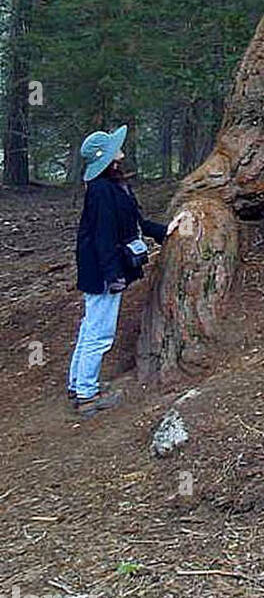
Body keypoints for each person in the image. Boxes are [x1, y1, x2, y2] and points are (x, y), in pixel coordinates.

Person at [68, 125, 168, 417]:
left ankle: (77, 386)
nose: (121, 151)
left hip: (102, 270)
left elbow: (136, 223)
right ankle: (86, 395)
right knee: (99, 333)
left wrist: (165, 231)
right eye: (115, 149)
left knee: (90, 328)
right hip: (101, 272)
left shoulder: (114, 185)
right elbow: (103, 238)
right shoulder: (100, 190)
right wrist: (113, 276)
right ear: (108, 158)